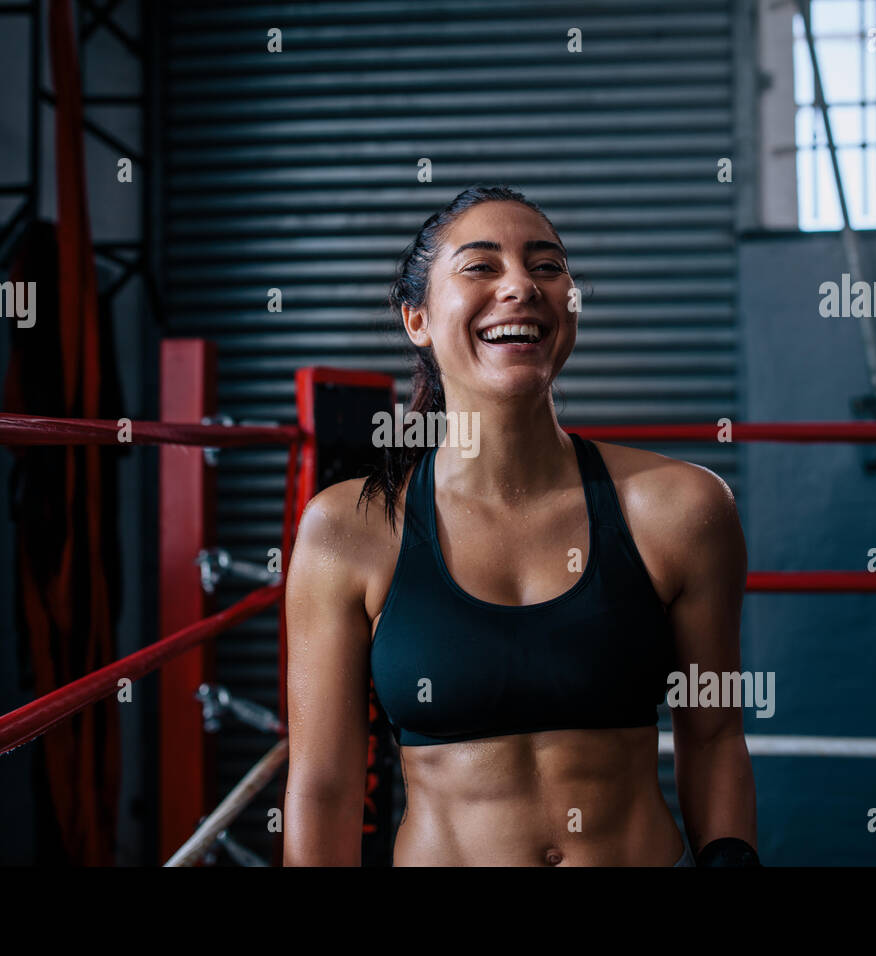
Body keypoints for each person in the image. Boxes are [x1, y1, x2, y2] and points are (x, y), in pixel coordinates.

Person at [282, 185, 758, 866]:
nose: (522, 287)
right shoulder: (349, 528)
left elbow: (714, 737)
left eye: (547, 266)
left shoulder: (683, 507)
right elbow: (323, 787)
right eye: (480, 267)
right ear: (416, 319)